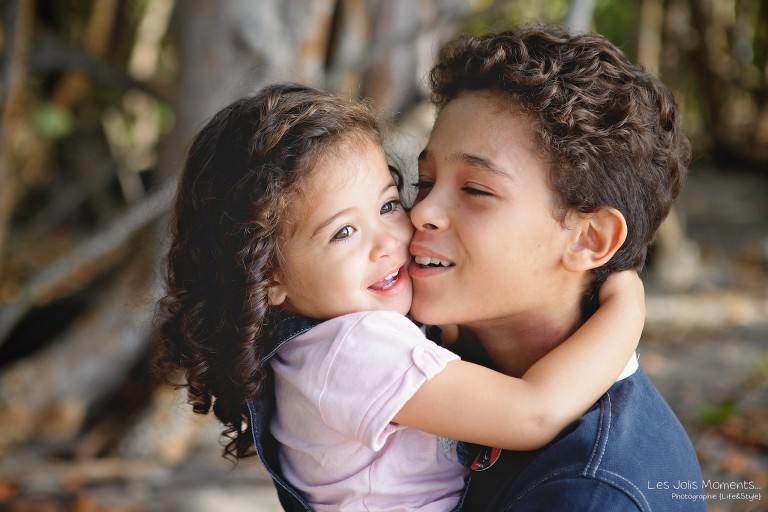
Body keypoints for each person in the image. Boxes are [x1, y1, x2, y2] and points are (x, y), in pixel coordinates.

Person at [154, 82, 645, 511]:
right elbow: (533, 411)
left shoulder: (314, 345)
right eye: (343, 232)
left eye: (389, 203)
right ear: (268, 278)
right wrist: (626, 306)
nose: (391, 239)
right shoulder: (355, 349)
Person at [408, 25, 706, 510]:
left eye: (476, 190)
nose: (421, 212)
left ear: (589, 239)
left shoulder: (588, 492)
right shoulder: (422, 346)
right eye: (424, 180)